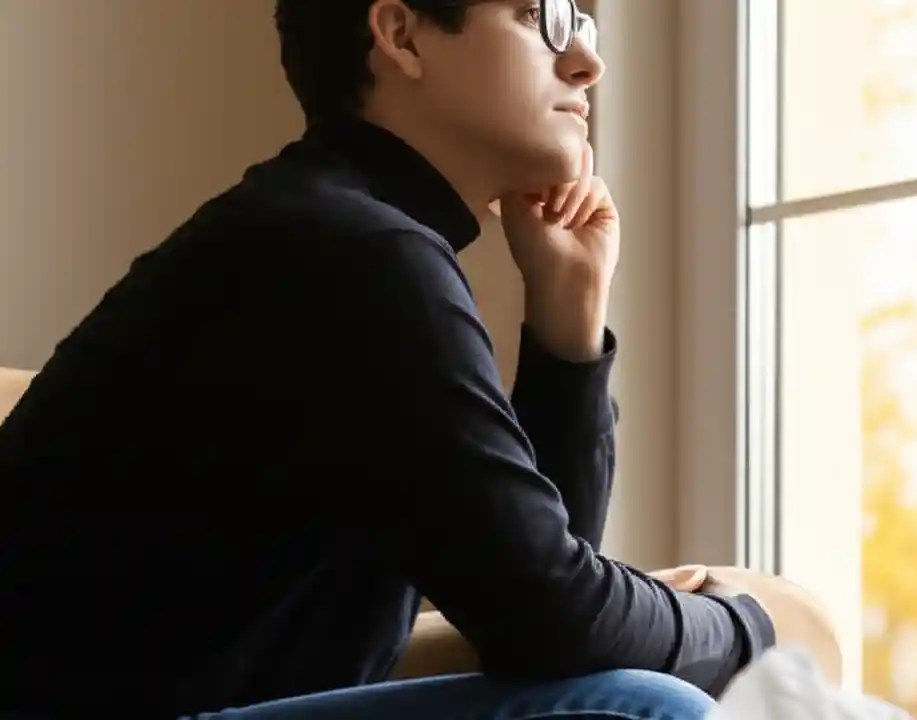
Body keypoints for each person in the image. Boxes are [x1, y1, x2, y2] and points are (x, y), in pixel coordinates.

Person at [0, 0, 777, 718]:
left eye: (583, 22)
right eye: (538, 16)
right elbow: (556, 619)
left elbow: (530, 603)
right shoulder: (352, 251)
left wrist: (567, 325)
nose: (584, 62)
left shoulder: (337, 230)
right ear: (401, 36)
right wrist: (748, 628)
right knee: (639, 713)